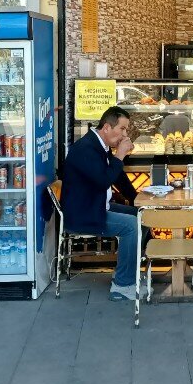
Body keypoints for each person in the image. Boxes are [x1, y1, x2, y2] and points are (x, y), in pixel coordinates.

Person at [61, 105, 147, 301]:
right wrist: (120, 155)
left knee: (143, 215)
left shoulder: (100, 145)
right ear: (107, 127)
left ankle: (127, 272)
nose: (125, 134)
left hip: (97, 205)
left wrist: (136, 198)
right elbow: (103, 180)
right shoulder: (85, 149)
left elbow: (118, 178)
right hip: (84, 213)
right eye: (122, 129)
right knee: (131, 226)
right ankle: (122, 287)